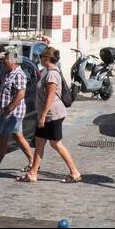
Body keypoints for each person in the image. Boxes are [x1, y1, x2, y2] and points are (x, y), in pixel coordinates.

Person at [21, 48, 82, 183]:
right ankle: (33, 173)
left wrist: (42, 116)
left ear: (46, 58)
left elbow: (50, 96)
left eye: (41, 56)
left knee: (56, 144)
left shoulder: (52, 75)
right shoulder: (48, 73)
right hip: (48, 115)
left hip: (52, 115)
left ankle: (75, 172)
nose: (40, 59)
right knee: (40, 143)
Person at [0, 51, 34, 174]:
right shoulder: (7, 73)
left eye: (5, 61)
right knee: (18, 136)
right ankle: (33, 161)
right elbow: (1, 87)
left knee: (3, 138)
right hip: (6, 112)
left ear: (12, 61)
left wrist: (10, 108)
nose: (3, 63)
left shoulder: (19, 75)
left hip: (13, 114)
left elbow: (21, 94)